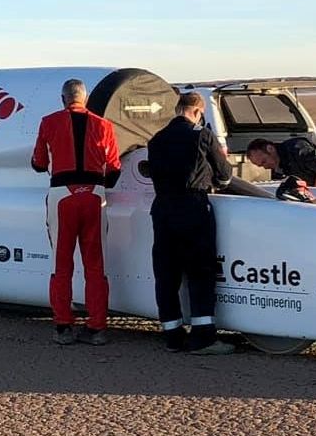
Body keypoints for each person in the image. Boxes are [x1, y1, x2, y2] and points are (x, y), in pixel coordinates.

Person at [140, 91, 235, 355]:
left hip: (162, 209)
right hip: (192, 207)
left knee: (167, 274)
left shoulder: (156, 139)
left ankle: (172, 335)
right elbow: (224, 175)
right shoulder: (201, 135)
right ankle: (203, 337)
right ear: (197, 111)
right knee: (200, 271)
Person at [30, 79, 121, 345]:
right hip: (94, 195)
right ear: (86, 98)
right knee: (95, 264)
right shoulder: (104, 125)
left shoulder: (49, 122)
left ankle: (63, 327)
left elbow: (38, 163)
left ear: (63, 99)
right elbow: (114, 167)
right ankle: (97, 328)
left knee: (61, 263)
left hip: (62, 196)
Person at [244, 134, 316, 202]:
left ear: (270, 148)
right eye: (261, 166)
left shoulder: (297, 148)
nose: (266, 167)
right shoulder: (282, 167)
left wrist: (314, 198)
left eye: (264, 161)